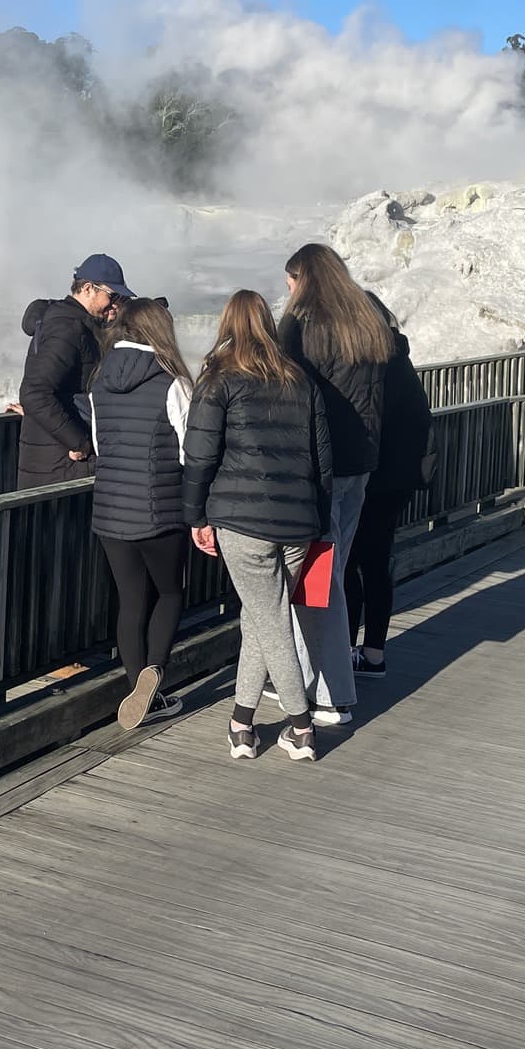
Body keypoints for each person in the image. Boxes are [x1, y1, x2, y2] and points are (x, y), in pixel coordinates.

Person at [183, 290, 335, 763]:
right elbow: (322, 459)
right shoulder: (301, 380)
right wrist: (320, 519)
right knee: (261, 620)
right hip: (296, 524)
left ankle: (301, 727)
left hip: (241, 522)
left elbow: (200, 456)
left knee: (271, 623)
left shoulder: (219, 379)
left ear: (228, 324)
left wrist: (196, 516)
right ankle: (241, 724)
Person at [278, 243, 394, 727]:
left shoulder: (301, 325)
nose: (286, 292)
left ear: (303, 278)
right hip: (360, 466)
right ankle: (321, 681)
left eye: (289, 282)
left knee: (313, 580)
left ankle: (321, 691)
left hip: (320, 469)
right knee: (332, 571)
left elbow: (284, 393)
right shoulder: (365, 319)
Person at [89, 297, 194, 729]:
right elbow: (192, 450)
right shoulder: (172, 381)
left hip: (111, 510)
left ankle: (140, 689)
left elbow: (99, 446)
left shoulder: (98, 379)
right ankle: (155, 670)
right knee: (168, 593)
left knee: (131, 600)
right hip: (161, 508)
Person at [344, 321, 437, 676]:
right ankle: (374, 653)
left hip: (367, 478)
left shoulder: (369, 366)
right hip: (397, 481)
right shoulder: (401, 363)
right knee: (378, 564)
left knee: (348, 564)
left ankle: (345, 649)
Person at [17, 255, 130, 489]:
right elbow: (34, 392)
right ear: (88, 289)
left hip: (55, 462)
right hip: (59, 466)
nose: (115, 304)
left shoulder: (77, 324)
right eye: (112, 295)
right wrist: (80, 442)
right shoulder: (67, 328)